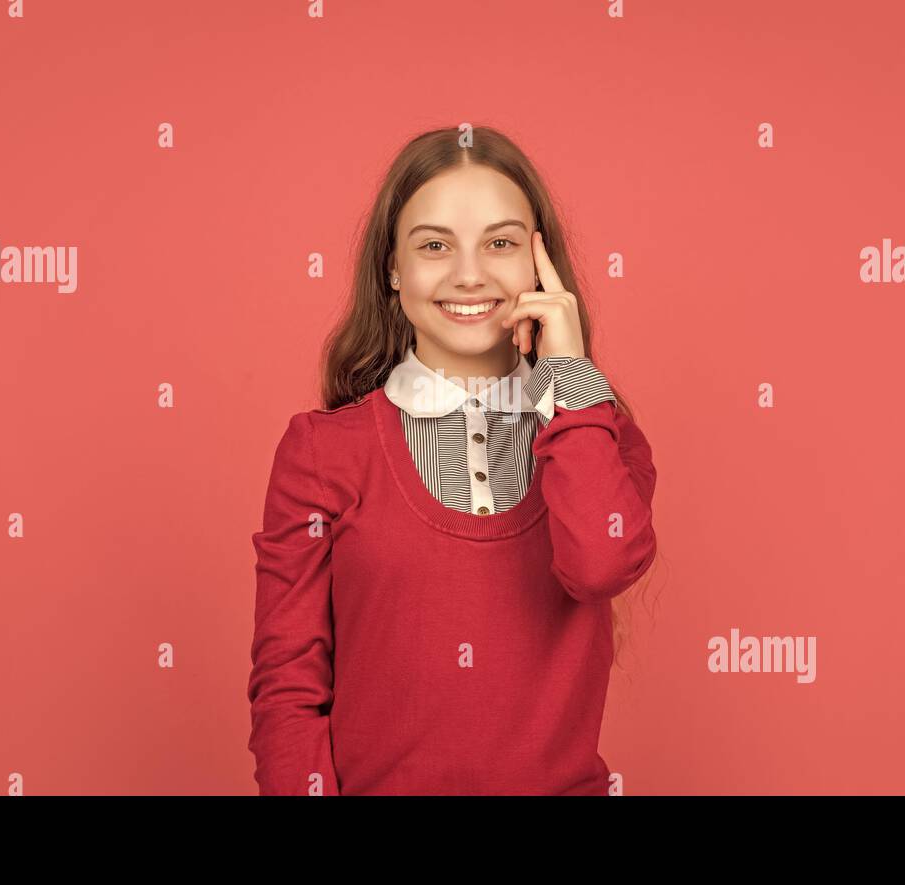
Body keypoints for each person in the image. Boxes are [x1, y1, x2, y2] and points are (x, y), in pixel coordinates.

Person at [247, 125, 659, 795]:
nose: (469, 273)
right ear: (393, 268)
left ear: (539, 266)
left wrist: (569, 374)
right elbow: (288, 690)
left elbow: (600, 562)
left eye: (499, 243)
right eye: (434, 246)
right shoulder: (322, 453)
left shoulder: (599, 435)